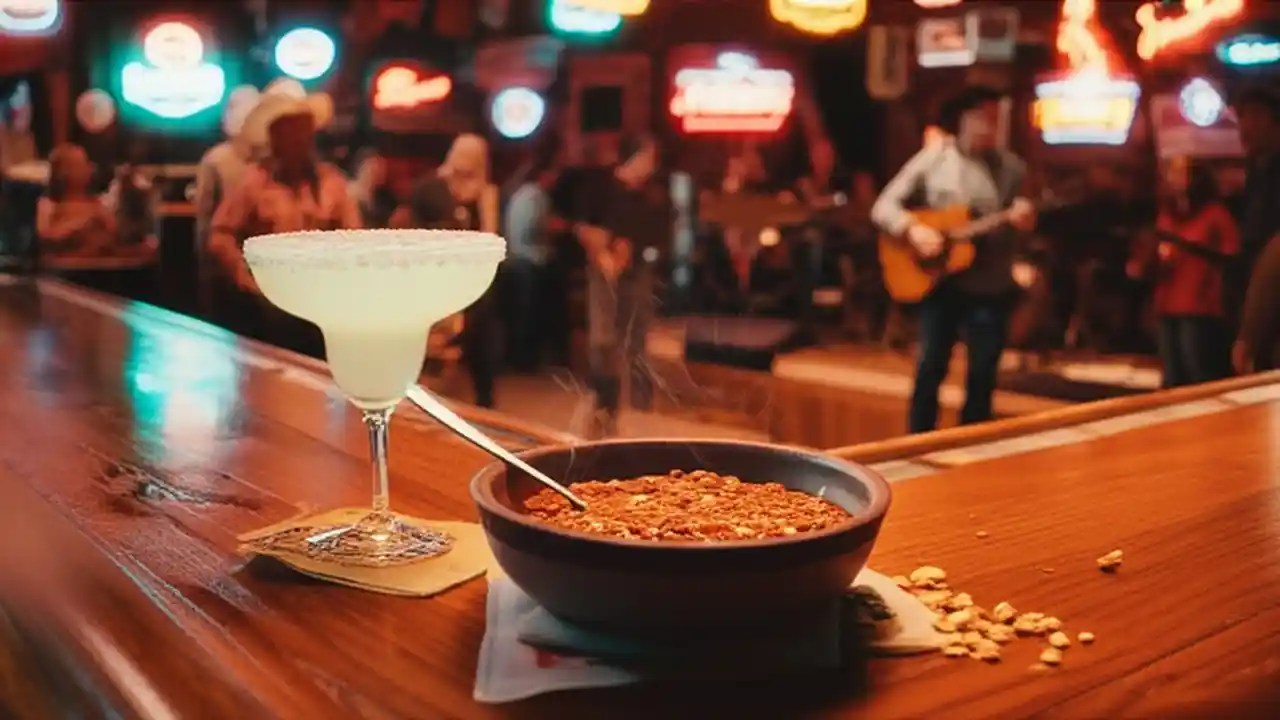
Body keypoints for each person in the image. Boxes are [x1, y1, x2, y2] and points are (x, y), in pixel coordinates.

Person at [871, 86, 1037, 433]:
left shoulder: (1011, 169)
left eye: (995, 119)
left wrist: (1024, 223)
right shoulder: (935, 158)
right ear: (962, 119)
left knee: (983, 373)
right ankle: (915, 442)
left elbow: (1017, 227)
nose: (989, 126)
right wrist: (914, 230)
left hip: (990, 284)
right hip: (941, 284)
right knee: (930, 367)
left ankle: (972, 446)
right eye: (982, 117)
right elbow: (884, 206)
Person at [208, 91, 360, 355]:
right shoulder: (253, 182)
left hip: (322, 305)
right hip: (270, 308)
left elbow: (355, 238)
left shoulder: (332, 182)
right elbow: (220, 234)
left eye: (304, 131)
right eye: (289, 132)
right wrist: (244, 274)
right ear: (275, 138)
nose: (299, 139)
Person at [573, 136, 666, 436]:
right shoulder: (600, 188)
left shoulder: (650, 196)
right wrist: (604, 254)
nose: (652, 165)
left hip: (637, 273)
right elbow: (584, 227)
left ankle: (640, 409)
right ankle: (603, 404)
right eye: (648, 157)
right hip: (604, 273)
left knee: (636, 340)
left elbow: (654, 234)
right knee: (604, 341)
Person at [400, 133, 501, 408]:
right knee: (437, 355)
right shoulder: (431, 188)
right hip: (437, 284)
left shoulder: (487, 195)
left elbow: (492, 238)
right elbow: (415, 234)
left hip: (477, 287)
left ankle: (484, 409)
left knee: (482, 349)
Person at [1129, 158, 1239, 387]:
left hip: (1199, 304)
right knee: (1171, 374)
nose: (1173, 178)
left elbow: (1232, 255)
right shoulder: (1168, 214)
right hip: (1167, 301)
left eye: (1180, 172)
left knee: (1198, 370)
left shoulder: (1214, 214)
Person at [502, 144, 562, 372]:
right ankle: (530, 360)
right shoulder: (536, 195)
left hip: (515, 261)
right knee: (534, 314)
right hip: (528, 262)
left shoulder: (519, 192)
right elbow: (535, 229)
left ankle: (523, 358)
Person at [36, 143, 117, 261]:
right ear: (63, 172)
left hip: (95, 266)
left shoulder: (96, 204)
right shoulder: (50, 205)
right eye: (82, 165)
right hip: (63, 268)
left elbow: (113, 231)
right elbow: (46, 235)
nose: (90, 168)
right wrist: (77, 226)